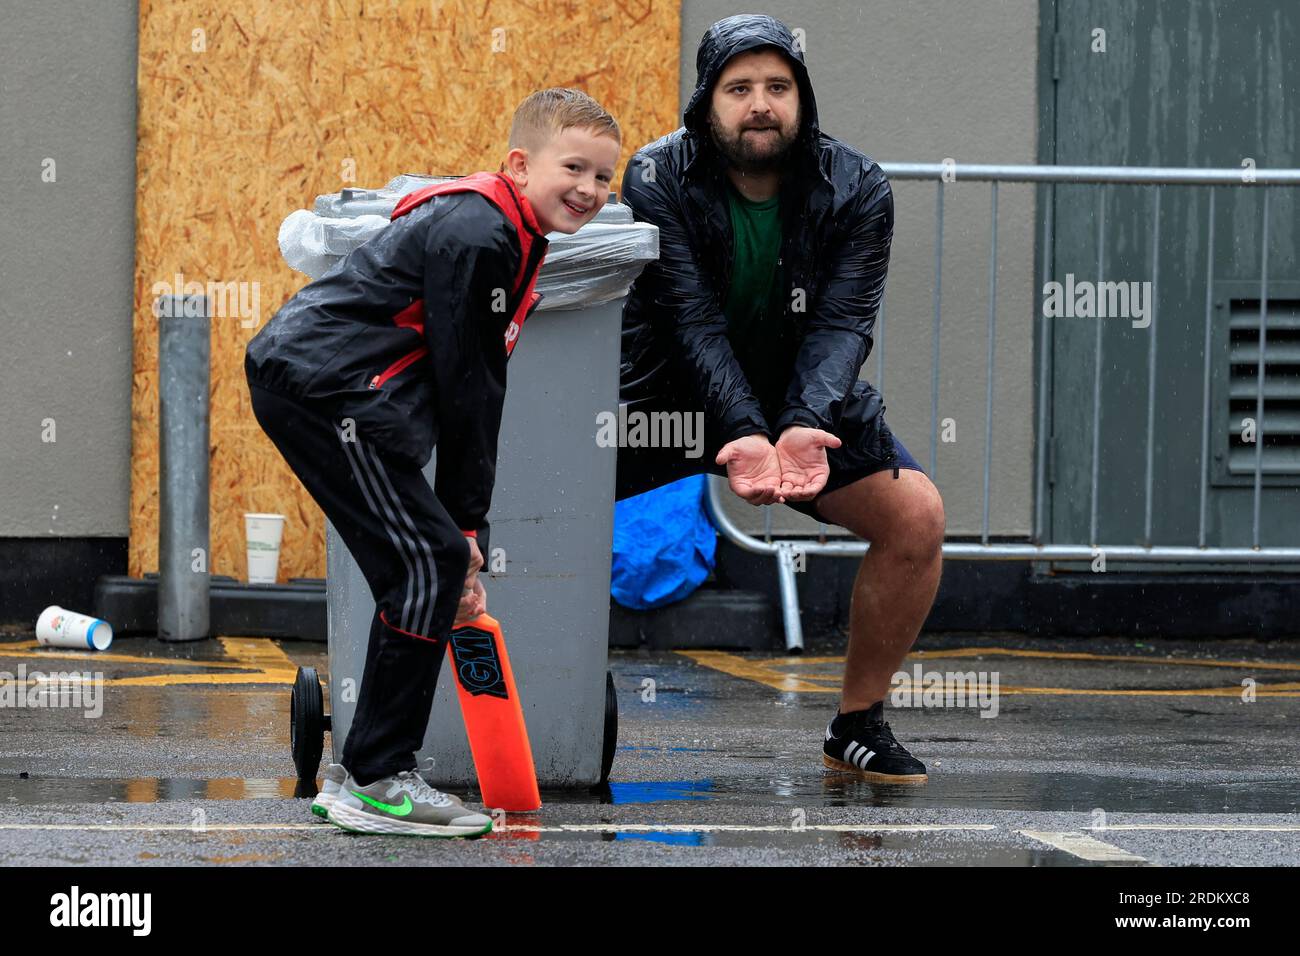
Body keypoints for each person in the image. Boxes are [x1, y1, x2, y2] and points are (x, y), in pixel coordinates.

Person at [244, 88, 622, 835]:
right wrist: (466, 530)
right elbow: (469, 389)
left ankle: (367, 773)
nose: (590, 189)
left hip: (333, 392)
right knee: (429, 564)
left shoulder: (505, 227)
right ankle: (380, 780)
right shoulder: (482, 233)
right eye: (573, 167)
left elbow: (461, 381)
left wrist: (457, 540)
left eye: (605, 176)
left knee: (421, 568)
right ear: (519, 163)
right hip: (328, 395)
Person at [617, 15, 946, 783]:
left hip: (800, 399)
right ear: (707, 101)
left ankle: (856, 726)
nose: (760, 104)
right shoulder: (656, 177)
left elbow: (841, 326)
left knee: (916, 517)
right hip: (666, 394)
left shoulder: (858, 184)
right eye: (740, 88)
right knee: (531, 510)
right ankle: (492, 699)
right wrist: (740, 429)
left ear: (803, 98)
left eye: (778, 86)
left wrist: (800, 424)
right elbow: (689, 319)